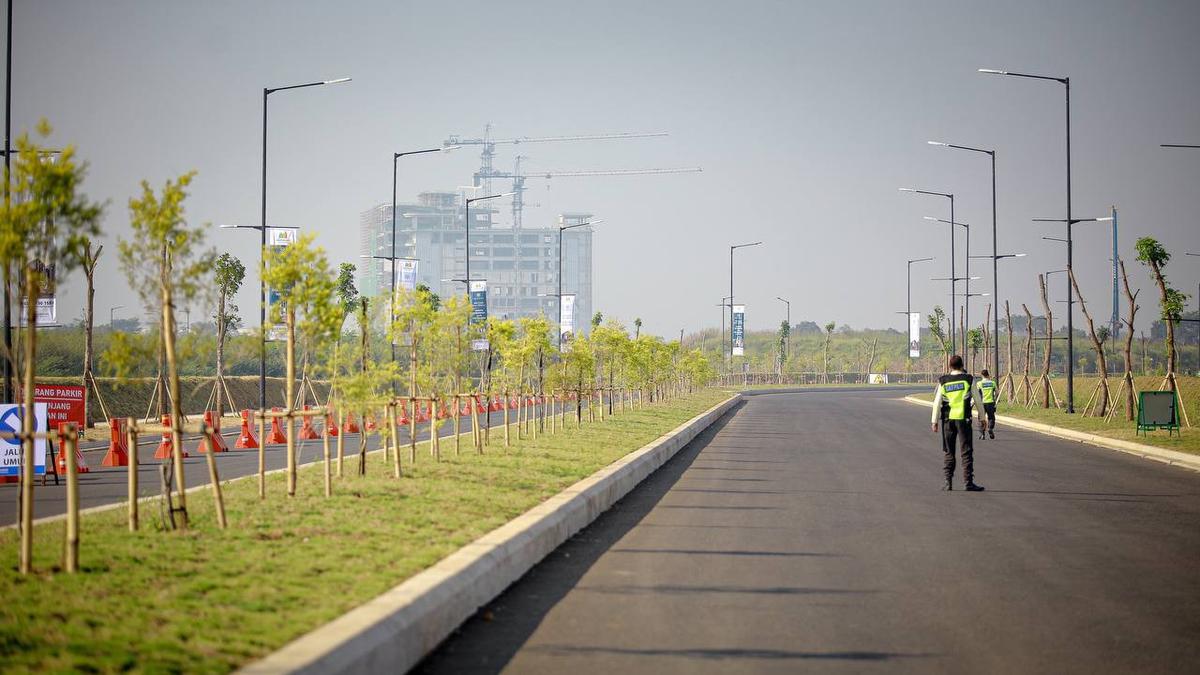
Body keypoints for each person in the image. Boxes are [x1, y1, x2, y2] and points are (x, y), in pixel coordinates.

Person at [930, 355, 984, 492]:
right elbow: (978, 400)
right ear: (962, 365)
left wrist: (934, 421)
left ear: (950, 366)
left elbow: (937, 402)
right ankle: (968, 483)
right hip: (964, 420)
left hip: (948, 421)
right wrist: (982, 418)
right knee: (966, 451)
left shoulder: (943, 381)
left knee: (949, 451)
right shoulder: (968, 379)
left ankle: (948, 482)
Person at [975, 369, 998, 440]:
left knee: (981, 419)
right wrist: (995, 400)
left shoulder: (979, 383)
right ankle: (990, 428)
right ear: (988, 375)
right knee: (991, 417)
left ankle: (982, 434)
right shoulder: (993, 383)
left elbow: (977, 394)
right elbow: (997, 392)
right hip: (990, 403)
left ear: (982, 375)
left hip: (982, 404)